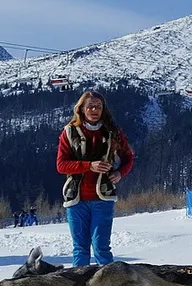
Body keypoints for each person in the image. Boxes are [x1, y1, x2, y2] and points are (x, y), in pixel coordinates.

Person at [57, 90, 135, 267]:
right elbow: (61, 165)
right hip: (76, 198)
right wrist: (88, 165)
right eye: (90, 106)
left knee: (101, 247)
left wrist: (120, 173)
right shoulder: (69, 132)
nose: (94, 110)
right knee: (80, 248)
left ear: (103, 109)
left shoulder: (113, 132)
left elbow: (128, 157)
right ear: (82, 109)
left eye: (98, 106)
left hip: (103, 197)